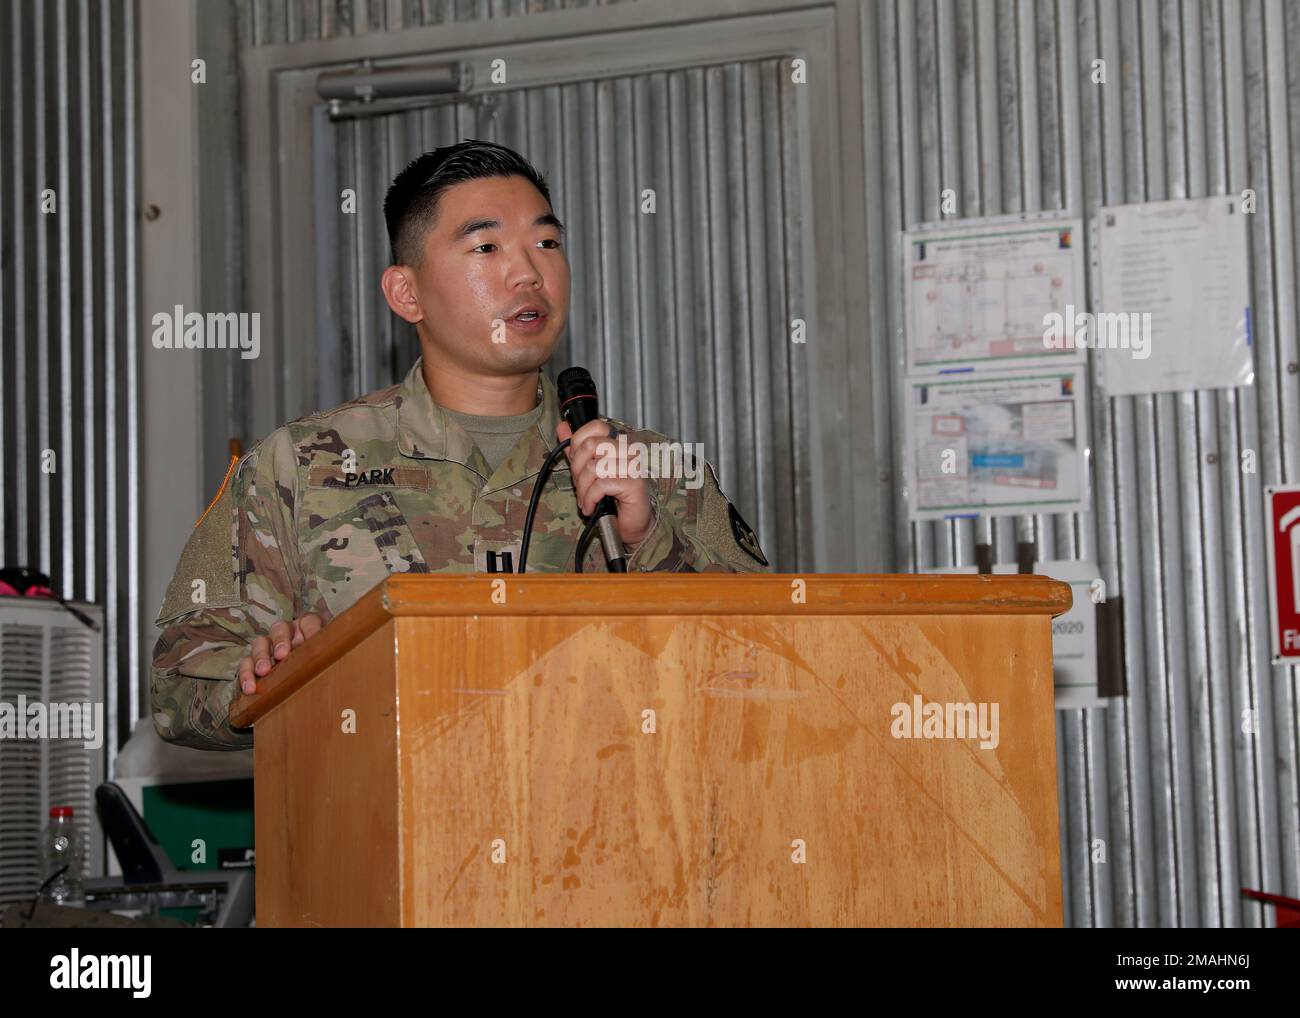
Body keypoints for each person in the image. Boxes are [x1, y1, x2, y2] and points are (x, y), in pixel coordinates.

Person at [150, 139, 770, 751]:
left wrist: (646, 541)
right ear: (406, 293)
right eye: (487, 246)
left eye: (547, 244)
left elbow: (772, 664)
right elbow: (176, 688)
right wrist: (275, 676)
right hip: (380, 836)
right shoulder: (297, 466)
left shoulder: (657, 471)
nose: (529, 272)